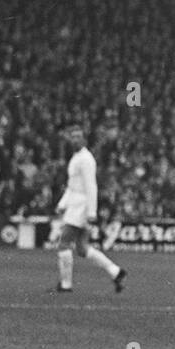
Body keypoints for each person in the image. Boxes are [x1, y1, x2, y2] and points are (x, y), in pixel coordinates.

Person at [53, 125, 127, 294]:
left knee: (64, 244)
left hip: (82, 207)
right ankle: (116, 272)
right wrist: (62, 204)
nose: (75, 139)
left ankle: (65, 285)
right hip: (76, 205)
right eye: (73, 136)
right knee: (82, 248)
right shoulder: (77, 157)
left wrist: (91, 212)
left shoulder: (86, 159)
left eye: (78, 136)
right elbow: (72, 186)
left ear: (84, 139)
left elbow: (91, 186)